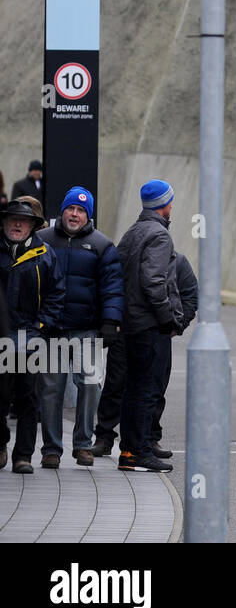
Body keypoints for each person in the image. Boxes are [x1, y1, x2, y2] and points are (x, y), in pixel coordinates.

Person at [35, 187, 124, 468]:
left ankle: (83, 444)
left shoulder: (102, 246)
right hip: (51, 331)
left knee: (90, 386)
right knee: (50, 390)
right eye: (71, 209)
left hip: (88, 330)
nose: (75, 214)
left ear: (89, 216)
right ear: (63, 211)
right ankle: (51, 449)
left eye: (81, 211)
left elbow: (112, 288)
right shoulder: (42, 240)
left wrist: (111, 322)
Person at [115, 179, 179, 473]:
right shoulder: (159, 236)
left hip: (131, 324)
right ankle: (138, 451)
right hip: (149, 326)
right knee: (147, 389)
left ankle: (129, 450)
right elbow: (154, 283)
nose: (171, 207)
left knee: (133, 388)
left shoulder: (132, 232)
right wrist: (167, 318)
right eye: (170, 202)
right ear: (163, 205)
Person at [0, 199, 66, 473]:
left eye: (23, 221)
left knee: (28, 397)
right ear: (4, 223)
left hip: (31, 338)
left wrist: (41, 326)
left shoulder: (45, 254)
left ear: (32, 226)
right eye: (12, 219)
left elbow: (57, 294)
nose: (17, 224)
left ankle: (23, 456)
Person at [150, 252, 197, 459]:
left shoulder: (177, 261)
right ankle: (106, 438)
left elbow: (191, 295)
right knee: (121, 387)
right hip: (133, 331)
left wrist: (178, 325)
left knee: (156, 388)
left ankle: (150, 439)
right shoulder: (134, 255)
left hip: (161, 334)